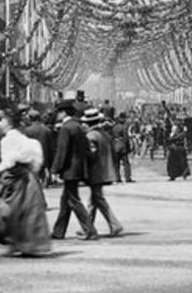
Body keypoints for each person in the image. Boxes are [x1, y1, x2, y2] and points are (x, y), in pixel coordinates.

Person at [0, 108, 51, 256]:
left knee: (8, 211)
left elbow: (8, 162)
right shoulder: (25, 139)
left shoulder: (8, 140)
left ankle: (14, 243)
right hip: (28, 178)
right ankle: (28, 244)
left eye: (1, 120)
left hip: (14, 179)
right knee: (27, 211)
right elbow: (35, 160)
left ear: (8, 123)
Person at [50, 99, 97, 240]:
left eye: (58, 112)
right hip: (78, 168)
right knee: (66, 201)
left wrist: (55, 169)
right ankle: (59, 231)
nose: (57, 115)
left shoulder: (66, 128)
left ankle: (90, 230)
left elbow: (62, 151)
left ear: (63, 112)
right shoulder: (78, 126)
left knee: (74, 200)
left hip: (69, 169)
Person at [82, 109, 123, 237]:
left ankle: (115, 225)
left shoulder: (91, 136)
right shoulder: (104, 134)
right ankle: (88, 228)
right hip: (105, 170)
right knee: (94, 200)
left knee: (98, 199)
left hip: (95, 172)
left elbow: (91, 155)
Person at [22, 109, 55, 185]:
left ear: (30, 118)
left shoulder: (27, 130)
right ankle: (45, 180)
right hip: (45, 154)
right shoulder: (47, 130)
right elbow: (51, 145)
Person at [111, 111, 133, 184]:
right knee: (126, 163)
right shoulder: (124, 127)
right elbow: (126, 138)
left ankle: (117, 178)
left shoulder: (114, 127)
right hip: (122, 146)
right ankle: (127, 177)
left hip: (115, 145)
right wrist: (128, 147)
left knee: (116, 163)